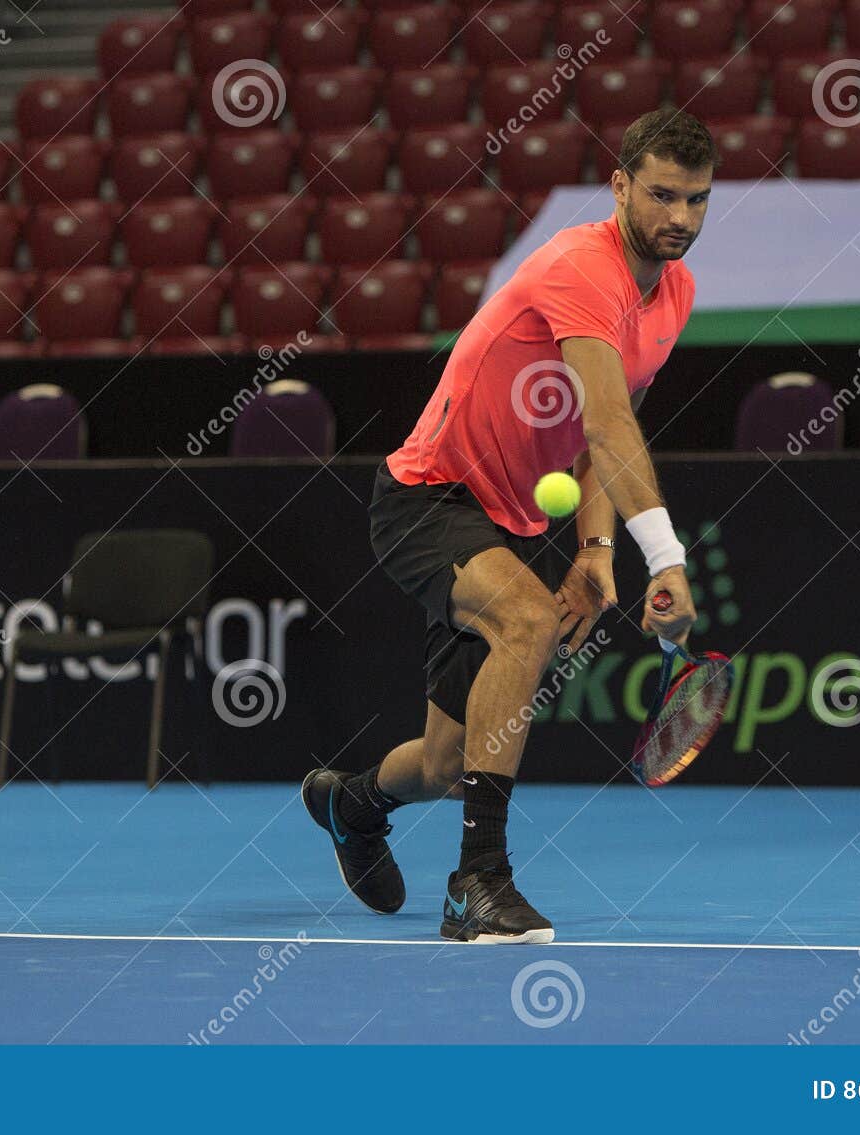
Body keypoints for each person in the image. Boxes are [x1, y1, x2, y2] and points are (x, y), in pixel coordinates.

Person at [303, 107, 718, 943]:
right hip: (428, 496)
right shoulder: (581, 267)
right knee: (527, 620)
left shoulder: (674, 292)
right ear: (621, 186)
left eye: (698, 201)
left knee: (448, 761)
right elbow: (603, 421)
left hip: (509, 518)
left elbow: (611, 430)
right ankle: (478, 884)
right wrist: (664, 559)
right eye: (663, 196)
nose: (680, 218)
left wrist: (596, 552)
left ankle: (348, 802)